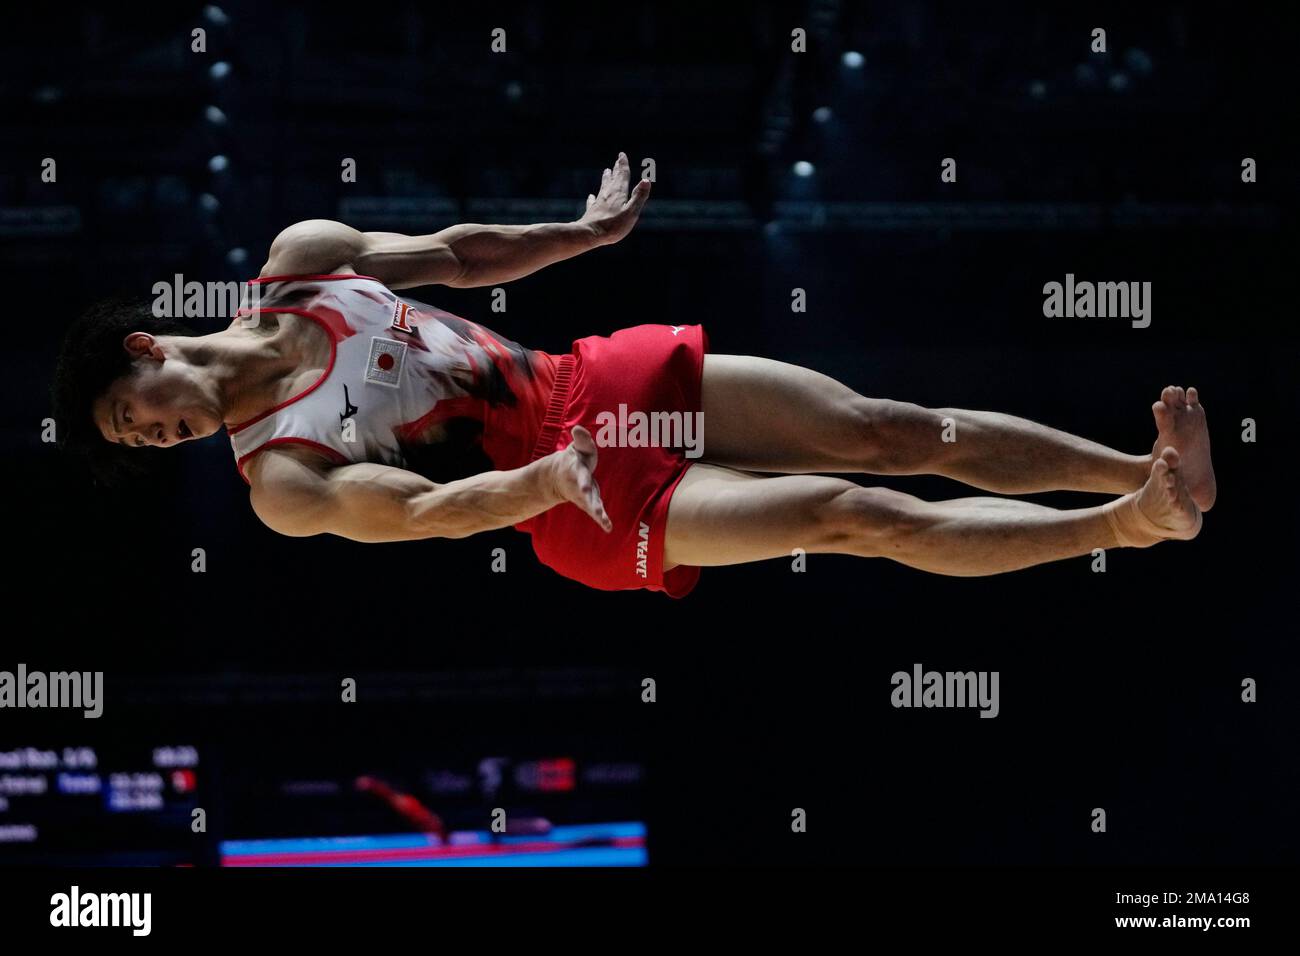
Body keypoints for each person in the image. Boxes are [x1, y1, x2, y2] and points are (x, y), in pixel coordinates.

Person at [53, 153, 1214, 598]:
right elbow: (425, 511)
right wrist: (542, 483)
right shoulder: (281, 479)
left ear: (148, 349)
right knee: (847, 512)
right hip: (575, 494)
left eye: (128, 414)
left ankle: (1141, 466)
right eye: (133, 446)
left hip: (590, 377)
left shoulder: (302, 264)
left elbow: (458, 254)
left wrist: (581, 235)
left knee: (885, 425)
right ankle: (1129, 522)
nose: (149, 437)